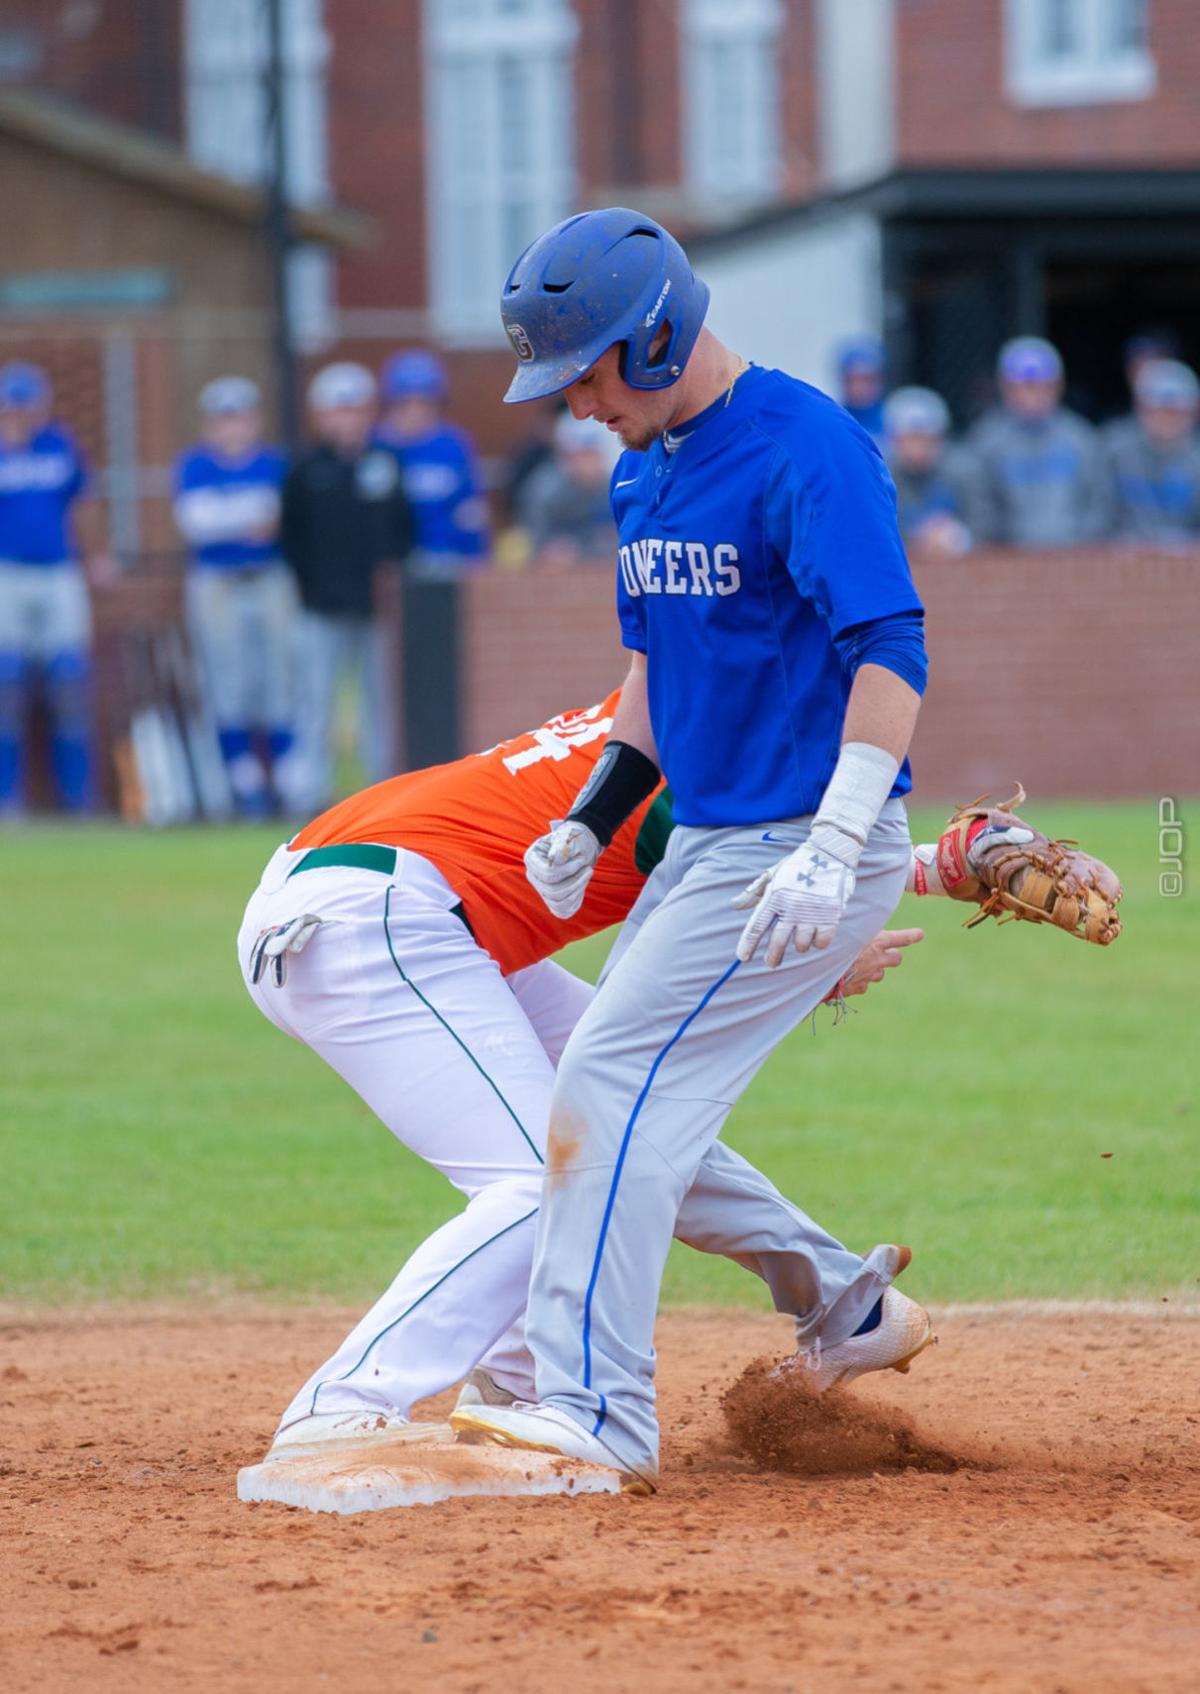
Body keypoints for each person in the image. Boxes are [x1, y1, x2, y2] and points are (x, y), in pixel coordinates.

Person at [450, 207, 930, 1491]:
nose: (578, 405)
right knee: (637, 1109)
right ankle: (843, 1302)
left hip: (795, 842)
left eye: (590, 371)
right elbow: (654, 671)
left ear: (656, 337)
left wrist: (836, 847)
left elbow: (892, 654)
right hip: (710, 841)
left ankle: (595, 1412)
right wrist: (592, 817)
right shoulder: (640, 468)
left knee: (603, 1094)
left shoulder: (809, 446)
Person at [238, 686, 931, 1453]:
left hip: (401, 904)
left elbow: (769, 858)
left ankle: (844, 1307)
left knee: (618, 1118)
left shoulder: (666, 712)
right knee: (546, 1183)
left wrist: (936, 867)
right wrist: (914, 889)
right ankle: (344, 1403)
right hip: (370, 921)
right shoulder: (708, 765)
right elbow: (748, 876)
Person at [280, 363, 412, 815]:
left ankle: (383, 794)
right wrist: (308, 590)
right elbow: (290, 538)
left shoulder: (386, 463)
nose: (348, 419)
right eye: (338, 409)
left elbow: (403, 531)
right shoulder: (304, 470)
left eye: (356, 408)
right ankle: (308, 794)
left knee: (381, 706)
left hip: (377, 609)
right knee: (315, 703)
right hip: (320, 608)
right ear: (320, 415)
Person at [172, 377, 293, 817]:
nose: (233, 428)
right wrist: (249, 519)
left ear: (254, 421)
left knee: (277, 676)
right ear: (209, 424)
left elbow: (279, 519)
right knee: (226, 680)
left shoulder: (273, 463)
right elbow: (197, 524)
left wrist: (232, 518)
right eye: (224, 419)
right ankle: (242, 780)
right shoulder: (195, 465)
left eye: (239, 418)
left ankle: (283, 775)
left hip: (268, 575)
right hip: (217, 579)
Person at [0, 361, 115, 816]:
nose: (20, 414)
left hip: (58, 570)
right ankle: (8, 797)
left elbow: (83, 504)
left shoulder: (60, 446)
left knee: (68, 678)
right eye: (12, 405)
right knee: (7, 681)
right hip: (7, 573)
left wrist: (98, 555)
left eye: (27, 405)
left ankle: (78, 797)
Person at [962, 337, 1110, 547]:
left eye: (1041, 386)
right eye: (1023, 386)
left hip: (1075, 557)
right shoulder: (986, 441)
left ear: (1058, 386)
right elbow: (980, 512)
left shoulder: (1081, 438)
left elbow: (1099, 506)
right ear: (1005, 388)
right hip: (1009, 561)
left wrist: (1080, 547)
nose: (1032, 395)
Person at [375, 349, 488, 575]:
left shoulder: (453, 445)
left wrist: (476, 557)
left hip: (448, 560)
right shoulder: (377, 446)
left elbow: (471, 511)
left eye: (424, 404)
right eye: (405, 404)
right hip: (393, 564)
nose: (415, 413)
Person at [1105, 359, 1200, 544]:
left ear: (1194, 413)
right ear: (1140, 408)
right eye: (1157, 410)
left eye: (1175, 412)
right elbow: (1098, 513)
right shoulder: (1114, 451)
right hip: (1120, 559)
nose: (1166, 419)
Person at [882, 386, 973, 558]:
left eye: (925, 438)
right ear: (894, 440)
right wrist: (917, 538)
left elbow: (986, 520)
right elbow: (875, 528)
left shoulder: (962, 471)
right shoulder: (883, 478)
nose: (918, 447)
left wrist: (960, 536)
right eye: (910, 438)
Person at [519, 412, 619, 563]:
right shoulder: (545, 492)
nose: (588, 462)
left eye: (593, 454)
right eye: (581, 455)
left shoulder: (614, 487)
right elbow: (535, 542)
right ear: (566, 457)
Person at [835, 336, 887, 444]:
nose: (861, 387)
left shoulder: (893, 421)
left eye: (868, 380)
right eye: (854, 380)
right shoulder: (832, 417)